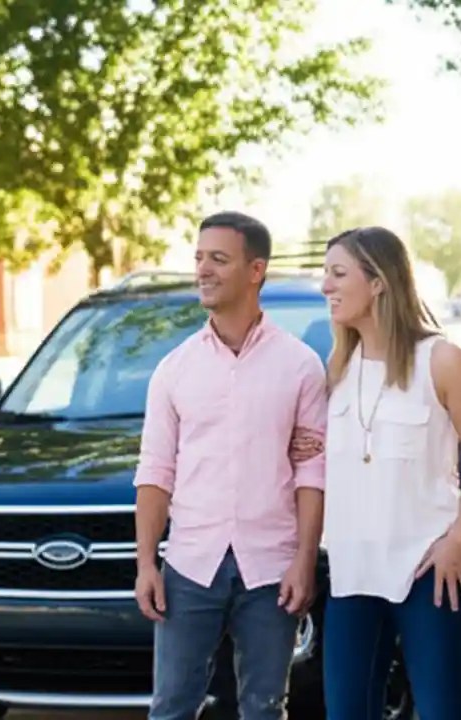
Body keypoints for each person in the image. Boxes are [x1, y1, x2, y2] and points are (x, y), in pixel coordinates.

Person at [133, 211, 329, 720]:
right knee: (172, 706)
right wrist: (146, 563)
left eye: (219, 259)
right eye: (199, 258)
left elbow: (311, 473)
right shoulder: (174, 369)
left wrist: (304, 559)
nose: (204, 270)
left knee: (266, 707)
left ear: (255, 269)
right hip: (189, 565)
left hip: (271, 567)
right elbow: (155, 472)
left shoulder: (301, 365)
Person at [315, 226, 461, 720]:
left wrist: (458, 539)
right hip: (352, 576)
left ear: (378, 282)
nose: (325, 287)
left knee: (443, 712)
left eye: (338, 273)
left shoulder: (441, 360)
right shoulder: (334, 370)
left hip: (428, 572)